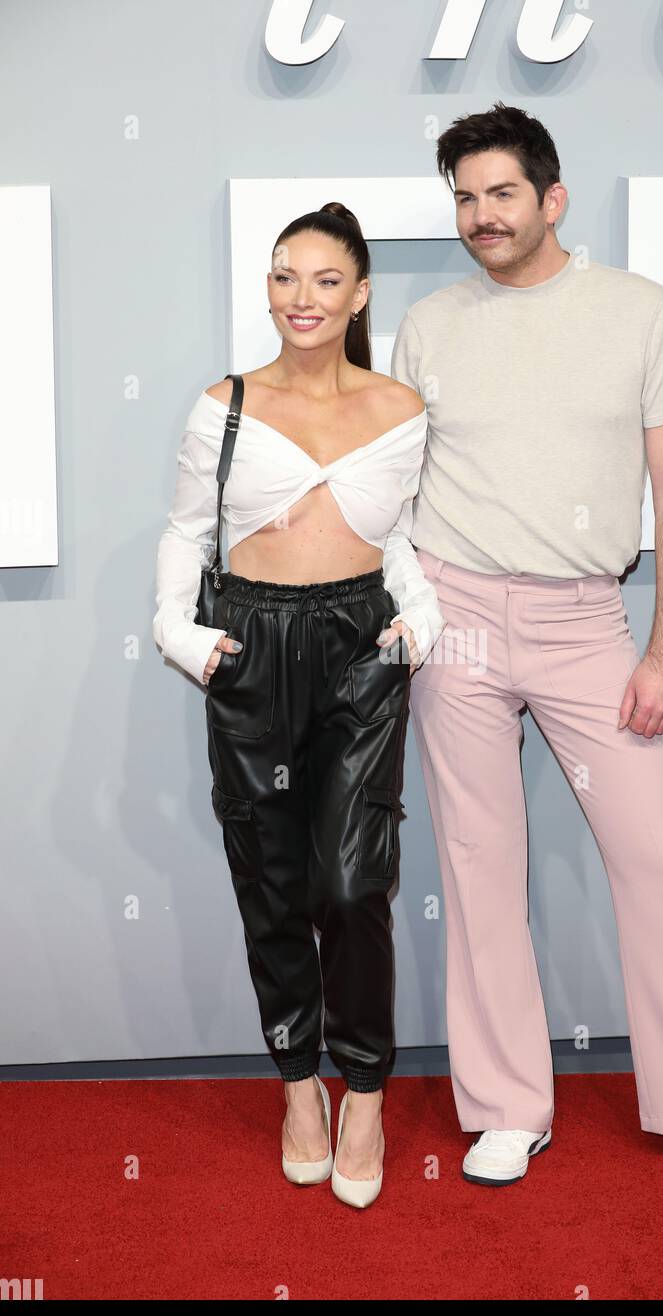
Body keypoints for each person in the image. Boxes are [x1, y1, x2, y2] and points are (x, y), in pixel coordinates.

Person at [391, 102, 663, 1187]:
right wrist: (410, 614)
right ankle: (504, 1108)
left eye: (499, 193)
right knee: (480, 867)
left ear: (551, 198)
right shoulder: (429, 324)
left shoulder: (635, 311)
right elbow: (396, 490)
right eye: (463, 196)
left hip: (587, 618)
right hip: (457, 619)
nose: (479, 215)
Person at [153, 203, 445, 1208]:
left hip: (361, 648)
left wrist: (420, 615)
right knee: (271, 878)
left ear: (360, 294)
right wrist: (179, 632)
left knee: (355, 878)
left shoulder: (401, 406)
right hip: (251, 647)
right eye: (284, 277)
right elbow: (187, 535)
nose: (302, 298)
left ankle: (361, 1088)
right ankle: (296, 1085)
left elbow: (396, 534)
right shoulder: (224, 401)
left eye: (325, 280)